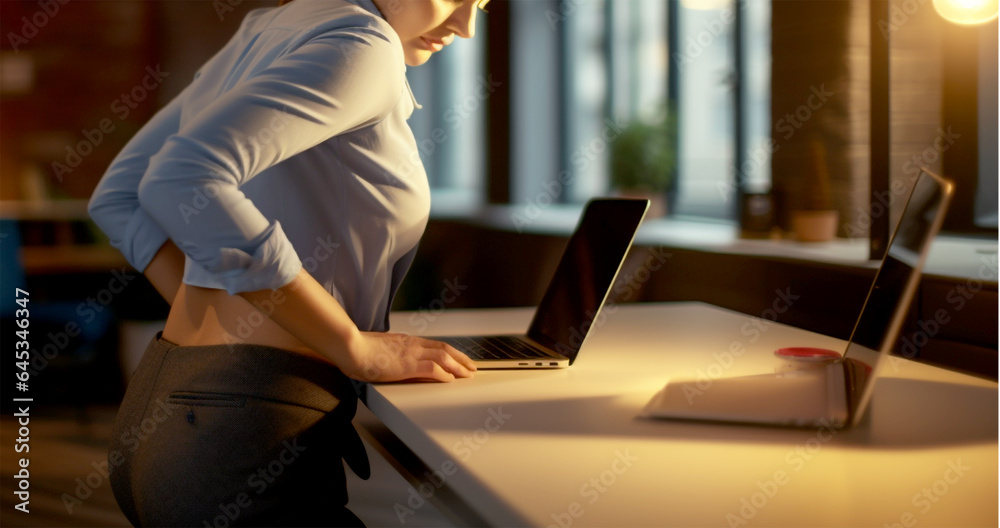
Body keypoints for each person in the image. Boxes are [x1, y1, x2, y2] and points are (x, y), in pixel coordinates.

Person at [87, 0, 487, 525]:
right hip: (244, 434)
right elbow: (181, 179)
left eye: (481, 5)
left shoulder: (270, 27)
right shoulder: (366, 46)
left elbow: (117, 198)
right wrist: (350, 345)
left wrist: (248, 310)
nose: (465, 26)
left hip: (168, 405)